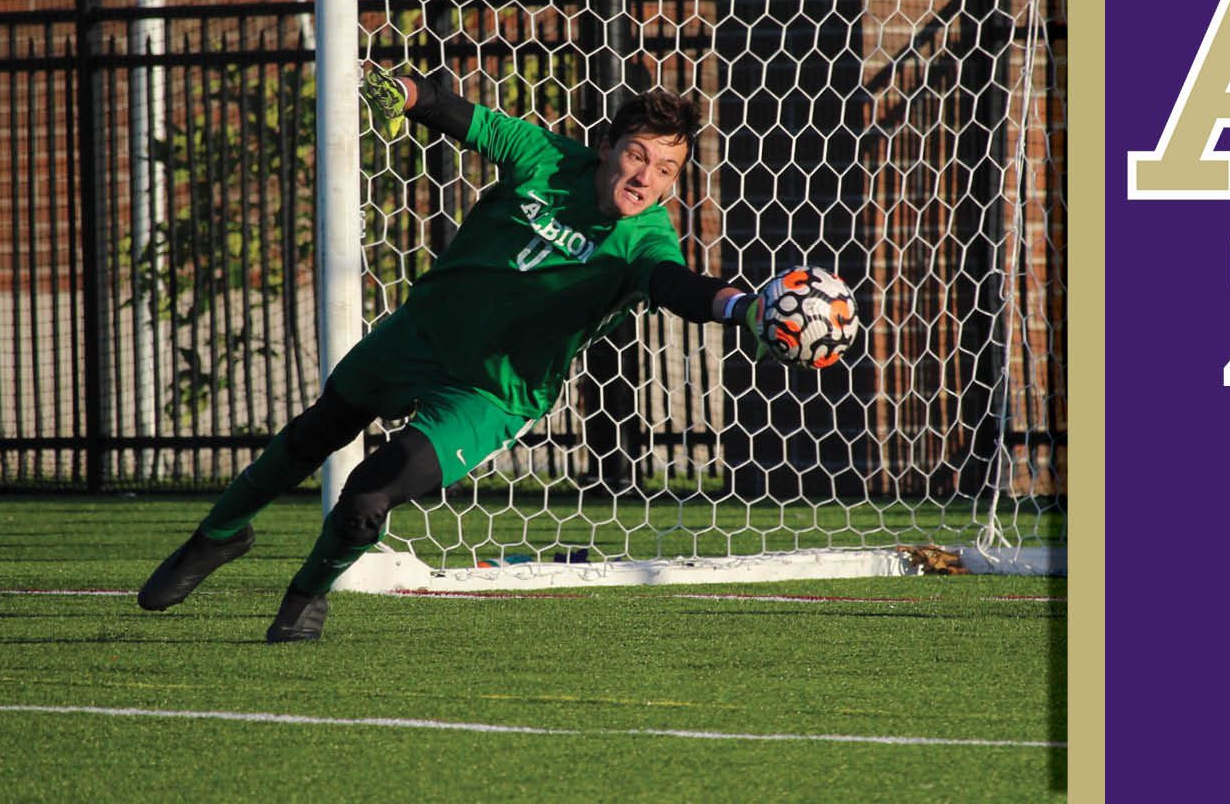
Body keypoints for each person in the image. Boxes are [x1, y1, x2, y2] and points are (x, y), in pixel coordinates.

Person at [137, 64, 771, 642]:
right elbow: (452, 111)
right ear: (606, 148)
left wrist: (746, 308)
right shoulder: (545, 157)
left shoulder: (647, 240)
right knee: (315, 432)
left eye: (665, 170)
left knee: (366, 495)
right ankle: (217, 536)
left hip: (490, 393)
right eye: (637, 156)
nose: (646, 178)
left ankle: (306, 596)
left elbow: (680, 287)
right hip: (420, 336)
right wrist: (402, 94)